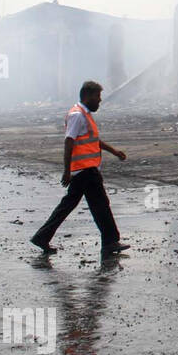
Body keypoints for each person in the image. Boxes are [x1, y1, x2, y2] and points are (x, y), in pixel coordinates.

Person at [30, 81, 130, 257]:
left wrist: (113, 151)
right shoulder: (78, 115)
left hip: (84, 170)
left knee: (68, 205)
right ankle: (110, 241)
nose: (99, 101)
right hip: (85, 171)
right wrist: (66, 170)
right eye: (97, 97)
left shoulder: (84, 114)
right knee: (101, 205)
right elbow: (69, 141)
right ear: (87, 96)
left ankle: (42, 237)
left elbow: (92, 140)